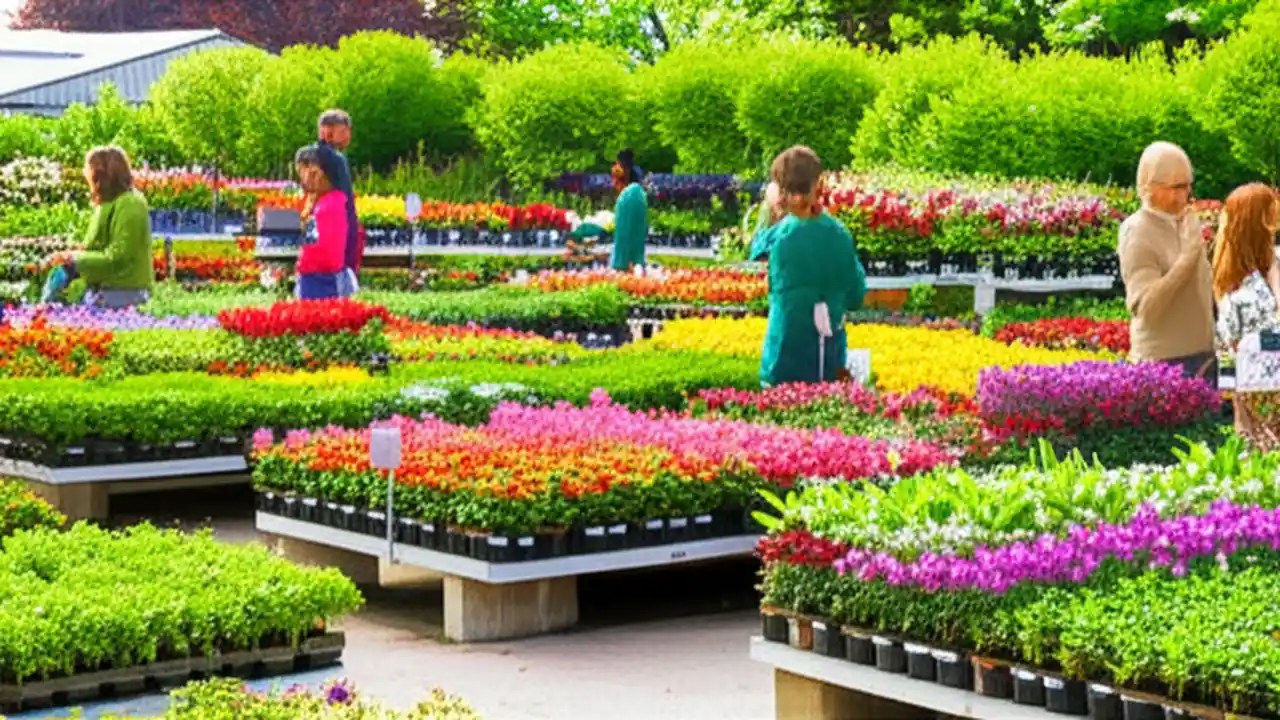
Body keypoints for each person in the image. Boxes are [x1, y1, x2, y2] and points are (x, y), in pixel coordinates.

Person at [750, 146, 867, 387]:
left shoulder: (779, 234)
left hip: (782, 358)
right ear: (818, 183)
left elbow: (754, 251)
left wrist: (771, 211)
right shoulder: (839, 234)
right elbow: (856, 296)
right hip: (829, 359)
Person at [1118, 141, 1215, 379]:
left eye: (1188, 186)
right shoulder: (1137, 231)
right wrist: (1187, 258)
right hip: (1163, 367)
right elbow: (1147, 309)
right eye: (1177, 187)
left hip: (1205, 360)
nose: (1185, 196)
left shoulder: (1185, 222)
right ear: (1148, 186)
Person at [40, 146, 154, 308]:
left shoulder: (131, 204)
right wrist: (72, 255)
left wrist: (75, 258)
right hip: (103, 289)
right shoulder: (107, 203)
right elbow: (97, 247)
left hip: (125, 292)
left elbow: (119, 256)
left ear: (101, 174)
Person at [1212, 183, 1280, 435]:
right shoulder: (1234, 286)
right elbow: (1226, 347)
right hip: (1257, 393)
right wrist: (1237, 409)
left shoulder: (1275, 264)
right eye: (1270, 215)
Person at [314, 109, 363, 296]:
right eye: (344, 130)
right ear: (327, 131)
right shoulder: (333, 159)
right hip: (338, 228)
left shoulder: (317, 156)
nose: (348, 135)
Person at [293, 146, 350, 300]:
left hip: (318, 277)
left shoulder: (326, 207)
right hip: (320, 274)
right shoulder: (328, 202)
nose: (303, 181)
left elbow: (322, 249)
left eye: (305, 173)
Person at [610, 149, 648, 271]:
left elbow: (617, 184)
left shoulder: (617, 169)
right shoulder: (637, 170)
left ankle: (621, 264)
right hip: (640, 198)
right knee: (637, 232)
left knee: (624, 232)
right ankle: (637, 261)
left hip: (626, 199)